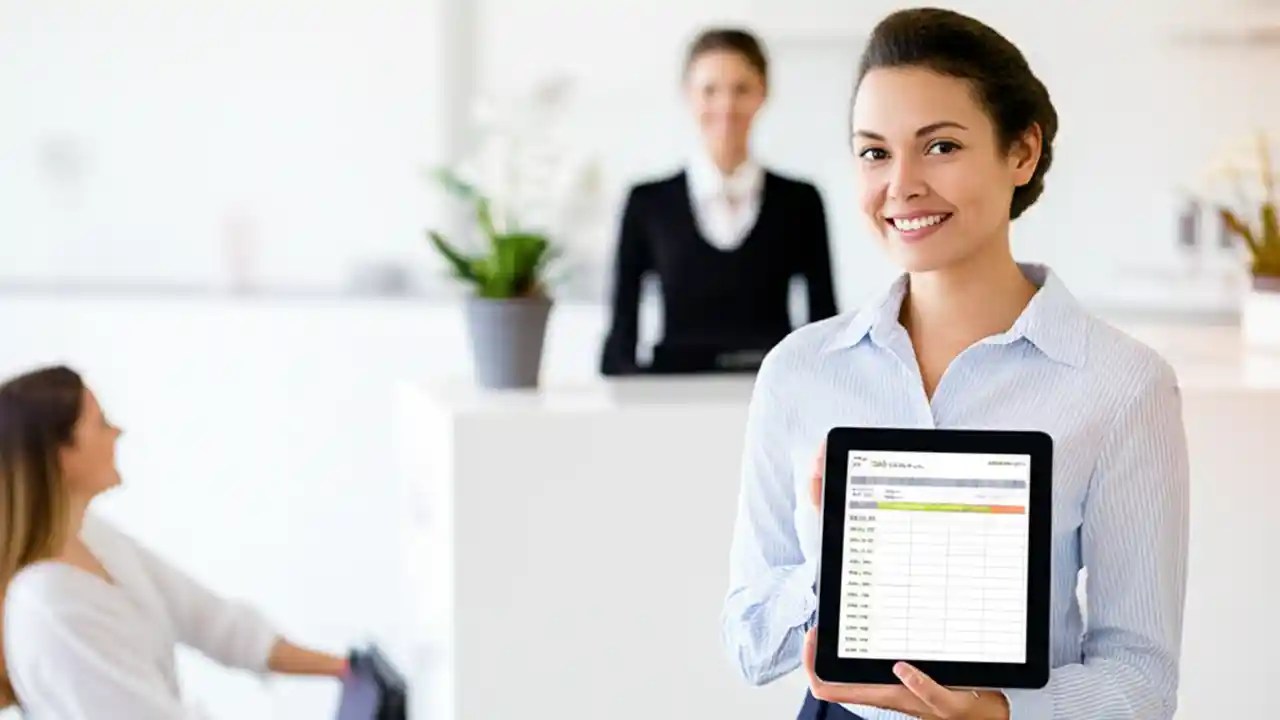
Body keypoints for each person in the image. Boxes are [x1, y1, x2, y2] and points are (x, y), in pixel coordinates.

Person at [721, 8, 1188, 720]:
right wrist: (835, 545)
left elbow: (1142, 683)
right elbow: (752, 644)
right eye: (874, 152)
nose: (901, 185)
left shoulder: (1121, 385)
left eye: (939, 146)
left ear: (1022, 153)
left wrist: (996, 713)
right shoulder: (801, 372)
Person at [0, 365, 350, 718]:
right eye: (101, 423)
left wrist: (342, 668)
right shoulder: (49, 604)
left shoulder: (92, 536)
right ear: (63, 455)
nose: (117, 432)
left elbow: (214, 622)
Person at [599, 27, 839, 376]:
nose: (726, 106)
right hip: (672, 397)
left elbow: (824, 325)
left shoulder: (800, 201)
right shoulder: (647, 204)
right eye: (710, 90)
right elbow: (622, 334)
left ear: (763, 93)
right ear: (688, 95)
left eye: (741, 89)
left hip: (772, 396)